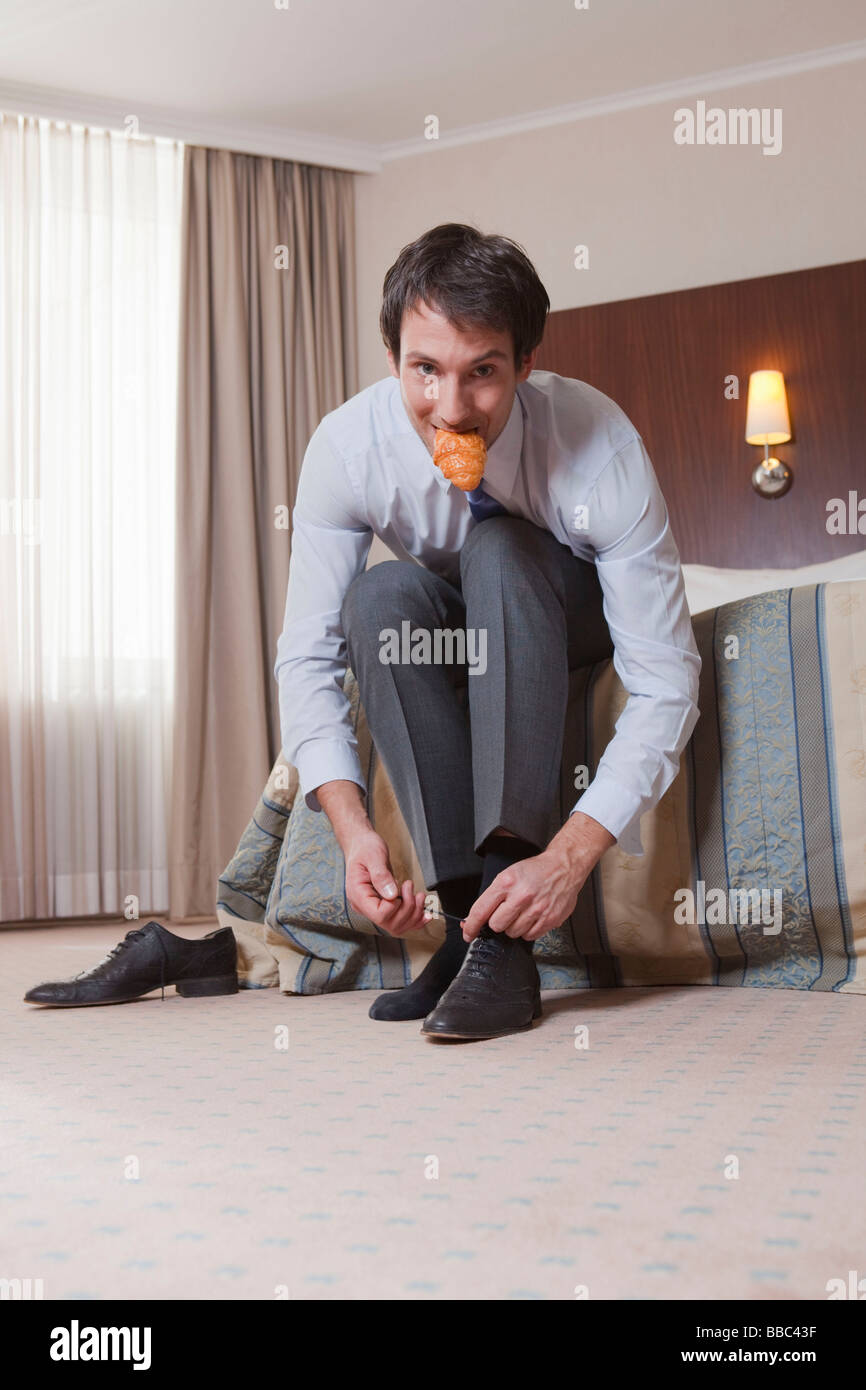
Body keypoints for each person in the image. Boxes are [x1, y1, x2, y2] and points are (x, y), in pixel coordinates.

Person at [274, 222, 701, 1041]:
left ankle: (507, 943)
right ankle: (471, 930)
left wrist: (570, 855)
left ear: (526, 365)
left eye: (483, 375)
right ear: (393, 353)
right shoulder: (347, 448)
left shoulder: (599, 447)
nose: (451, 407)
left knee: (498, 545)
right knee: (380, 598)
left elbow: (666, 677)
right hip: (457, 625)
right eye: (424, 370)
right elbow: (308, 653)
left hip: (566, 619)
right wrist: (353, 829)